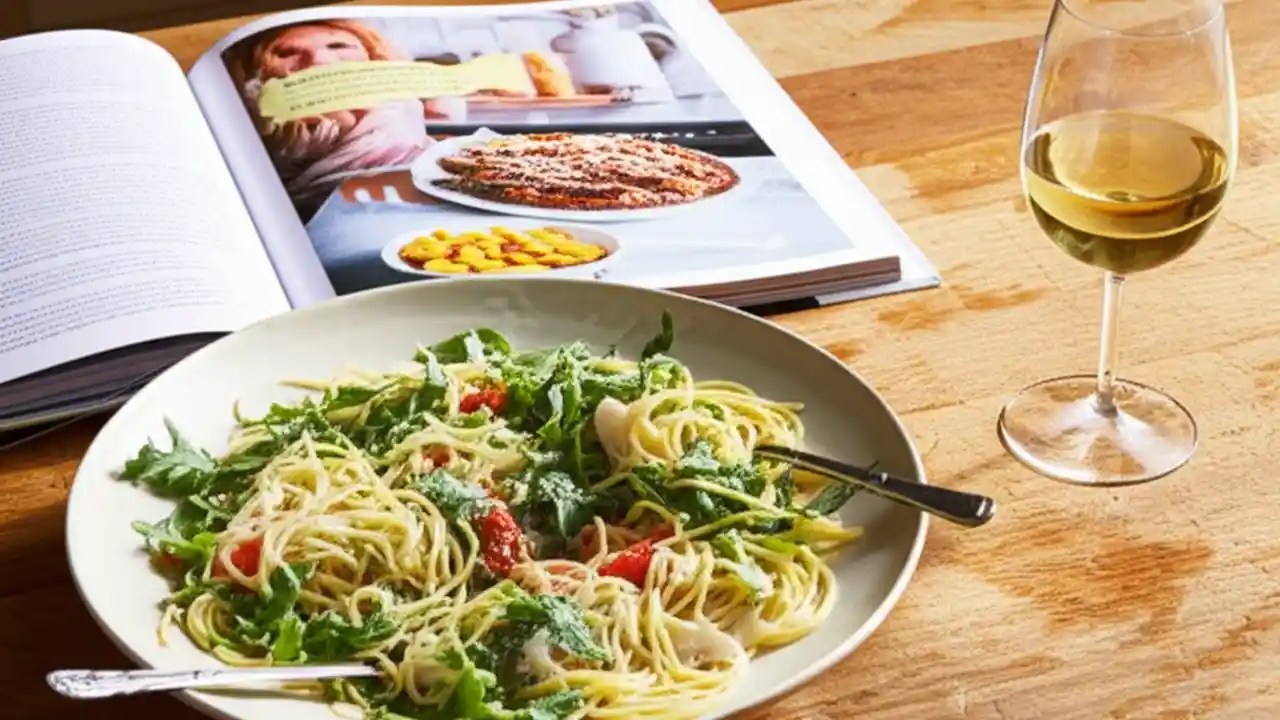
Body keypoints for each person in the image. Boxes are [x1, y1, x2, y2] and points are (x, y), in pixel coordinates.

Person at [225, 20, 447, 218]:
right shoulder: (245, 150)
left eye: (339, 46)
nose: (319, 61)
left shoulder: (425, 153)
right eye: (287, 52)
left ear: (374, 59)